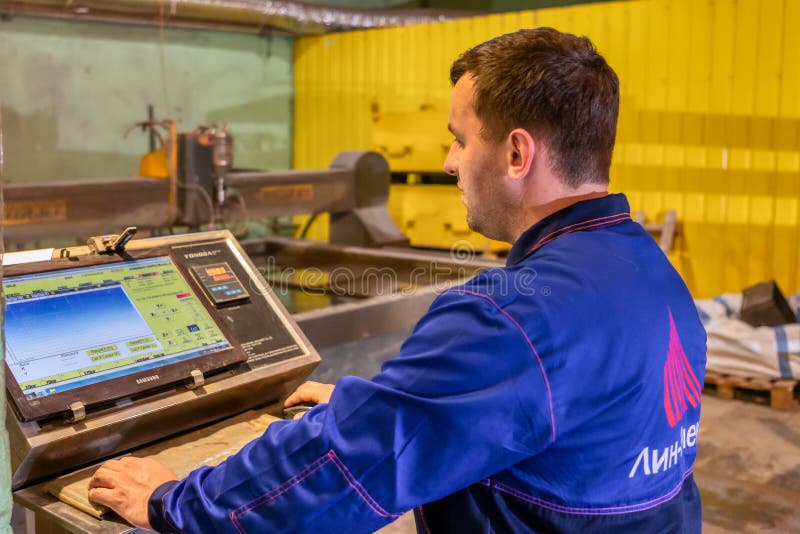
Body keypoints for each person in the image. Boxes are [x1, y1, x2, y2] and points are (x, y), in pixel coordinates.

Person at [89, 27, 706, 532]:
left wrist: (175, 501)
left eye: (460, 140)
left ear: (518, 155)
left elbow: (342, 471)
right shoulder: (651, 273)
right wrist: (395, 404)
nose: (449, 162)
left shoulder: (510, 317)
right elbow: (567, 428)